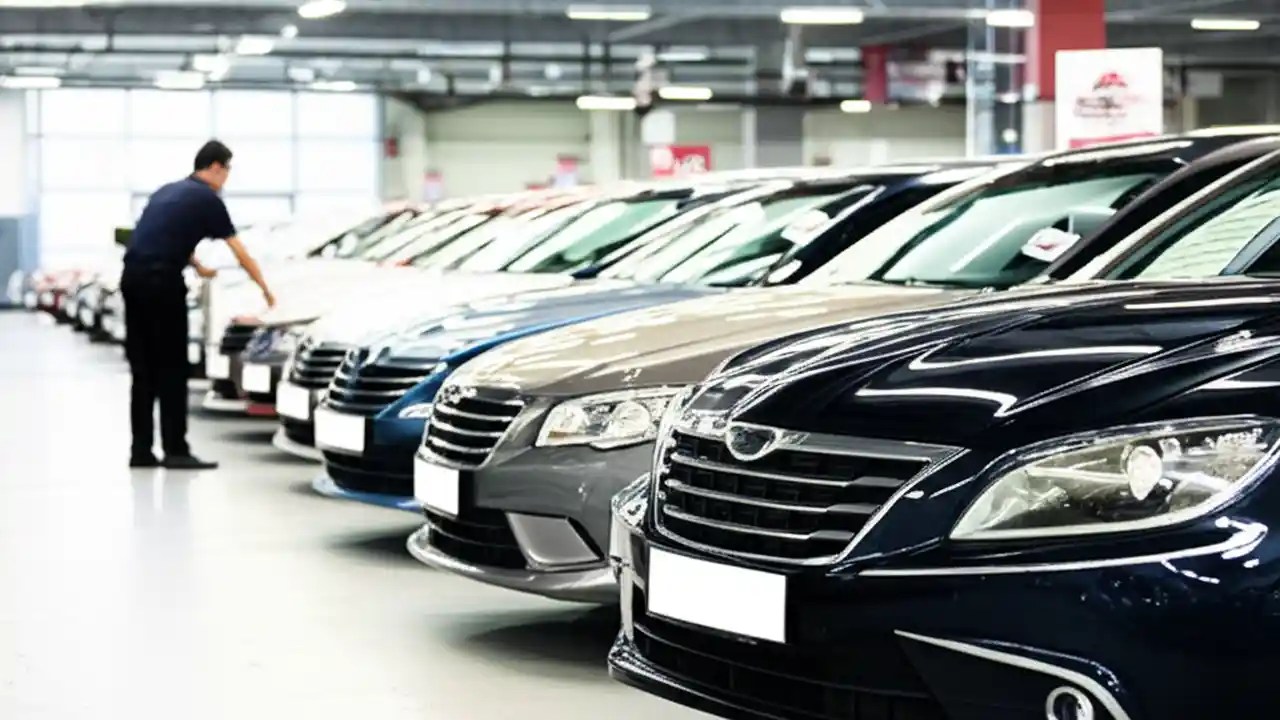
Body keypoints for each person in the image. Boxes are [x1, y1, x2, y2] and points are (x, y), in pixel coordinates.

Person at [122, 140, 275, 470]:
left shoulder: (167, 192)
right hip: (162, 285)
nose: (227, 179)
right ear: (217, 167)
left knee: (143, 370)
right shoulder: (208, 199)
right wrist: (265, 289)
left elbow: (160, 236)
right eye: (228, 171)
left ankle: (141, 451)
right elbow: (239, 251)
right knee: (173, 369)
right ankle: (176, 450)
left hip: (132, 280)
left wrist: (196, 265)